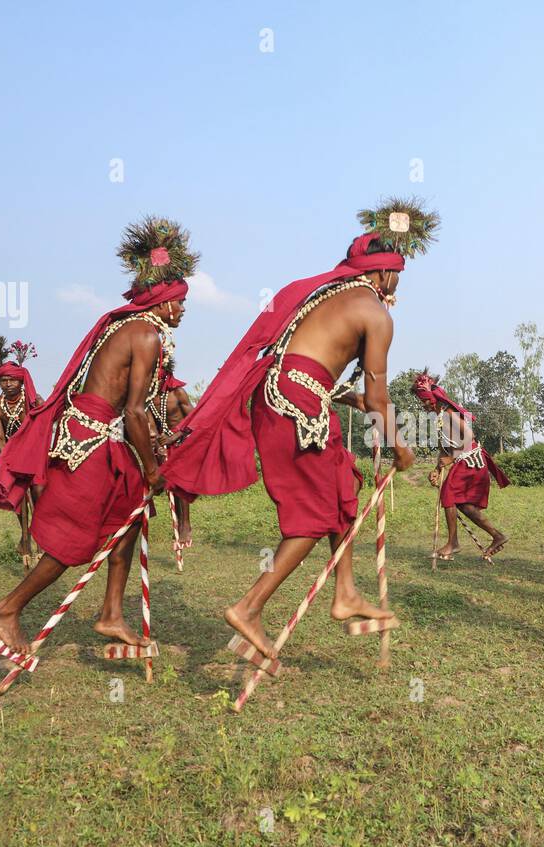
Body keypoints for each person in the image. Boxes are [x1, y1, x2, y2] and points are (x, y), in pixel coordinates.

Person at [163, 199, 437, 665]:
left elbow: (318, 363)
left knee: (340, 487)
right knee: (311, 518)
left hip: (285, 396)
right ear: (387, 274)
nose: (398, 286)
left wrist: (342, 398)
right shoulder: (375, 312)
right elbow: (377, 398)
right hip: (298, 404)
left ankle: (346, 592)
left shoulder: (329, 296)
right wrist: (401, 446)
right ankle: (248, 609)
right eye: (399, 276)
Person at [0, 217, 197, 655]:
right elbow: (136, 410)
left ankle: (111, 614)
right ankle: (8, 608)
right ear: (163, 303)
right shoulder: (145, 333)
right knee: (74, 540)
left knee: (127, 520)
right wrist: (154, 469)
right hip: (91, 439)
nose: (184, 310)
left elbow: (133, 412)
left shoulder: (133, 330)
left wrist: (150, 450)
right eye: (180, 302)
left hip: (105, 434)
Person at [412, 370, 509, 561]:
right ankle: (498, 536)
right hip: (465, 460)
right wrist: (437, 469)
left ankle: (453, 543)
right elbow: (445, 449)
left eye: (424, 401)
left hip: (471, 460)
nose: (423, 405)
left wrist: (450, 459)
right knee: (465, 506)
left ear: (433, 398)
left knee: (448, 494)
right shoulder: (439, 417)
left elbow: (469, 437)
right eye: (421, 402)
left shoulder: (448, 413)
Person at [0, 338, 43, 566]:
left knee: (39, 494)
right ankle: (25, 537)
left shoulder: (34, 401)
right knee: (18, 497)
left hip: (35, 454)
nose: (8, 384)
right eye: (3, 380)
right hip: (8, 455)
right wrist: (12, 463)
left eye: (12, 380)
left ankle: (38, 538)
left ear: (21, 381)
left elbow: (45, 425)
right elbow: (0, 440)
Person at [149, 363, 195, 549]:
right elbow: (150, 426)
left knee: (180, 485)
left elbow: (195, 420)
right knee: (170, 487)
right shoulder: (149, 398)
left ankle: (185, 525)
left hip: (181, 444)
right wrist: (157, 443)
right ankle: (176, 528)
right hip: (163, 448)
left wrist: (174, 437)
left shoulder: (178, 394)